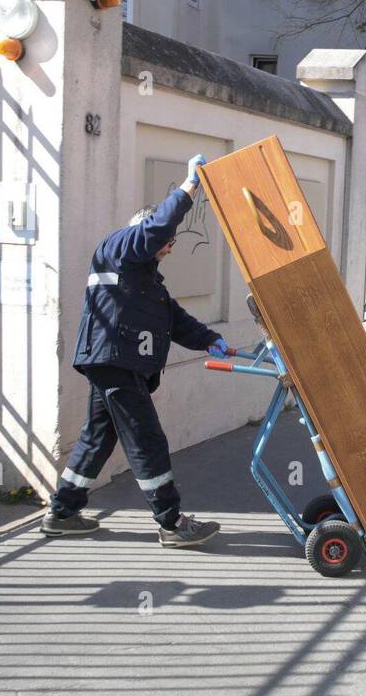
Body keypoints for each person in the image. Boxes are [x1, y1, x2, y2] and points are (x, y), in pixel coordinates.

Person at [40, 153, 229, 548]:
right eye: (167, 242)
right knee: (147, 438)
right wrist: (189, 185)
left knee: (97, 437)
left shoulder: (146, 279)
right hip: (115, 361)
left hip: (114, 363)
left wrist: (209, 339)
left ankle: (63, 511)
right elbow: (157, 226)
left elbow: (173, 318)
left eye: (172, 243)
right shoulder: (120, 246)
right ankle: (172, 524)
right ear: (146, 231)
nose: (169, 248)